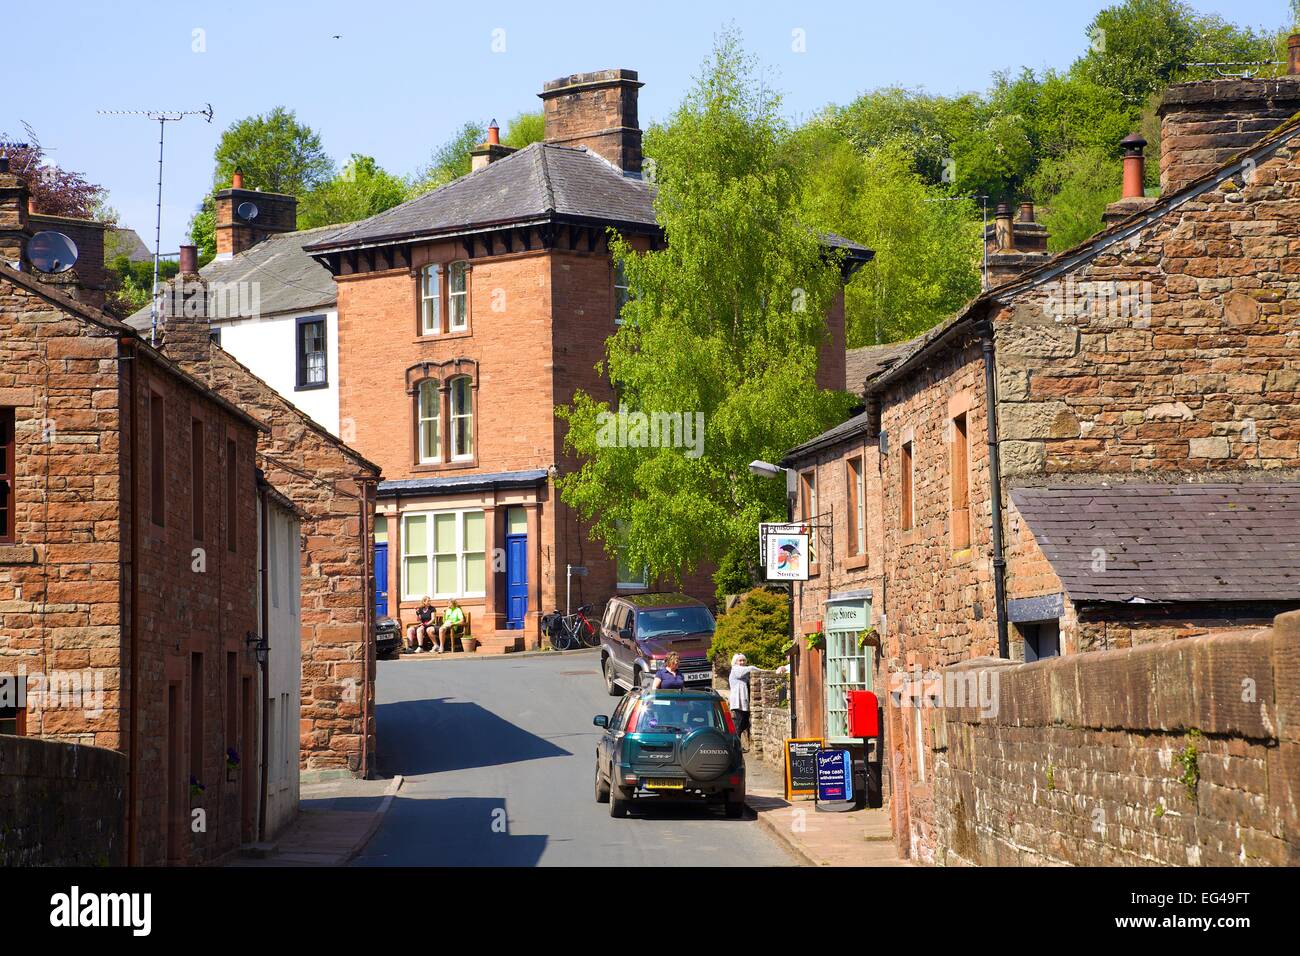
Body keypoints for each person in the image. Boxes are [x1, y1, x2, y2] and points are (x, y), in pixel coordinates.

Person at [728, 653, 755, 749]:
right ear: (735, 662)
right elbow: (751, 668)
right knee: (738, 724)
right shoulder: (736, 669)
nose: (742, 662)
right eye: (740, 660)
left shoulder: (743, 671)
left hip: (743, 702)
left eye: (743, 660)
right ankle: (735, 746)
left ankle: (736, 745)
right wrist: (767, 671)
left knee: (745, 723)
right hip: (737, 702)